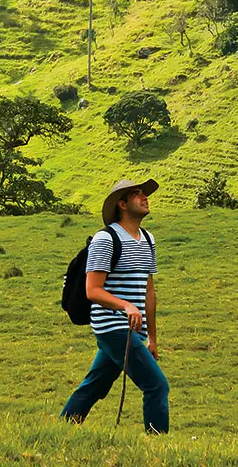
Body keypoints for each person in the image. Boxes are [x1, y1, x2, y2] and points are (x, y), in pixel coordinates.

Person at [61, 178, 169, 433]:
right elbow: (93, 290)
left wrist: (152, 337)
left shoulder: (148, 239)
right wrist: (126, 306)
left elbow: (148, 290)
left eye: (144, 194)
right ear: (122, 204)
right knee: (156, 385)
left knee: (96, 383)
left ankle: (63, 428)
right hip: (111, 325)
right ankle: (158, 443)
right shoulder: (106, 239)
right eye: (137, 194)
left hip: (134, 330)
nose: (145, 198)